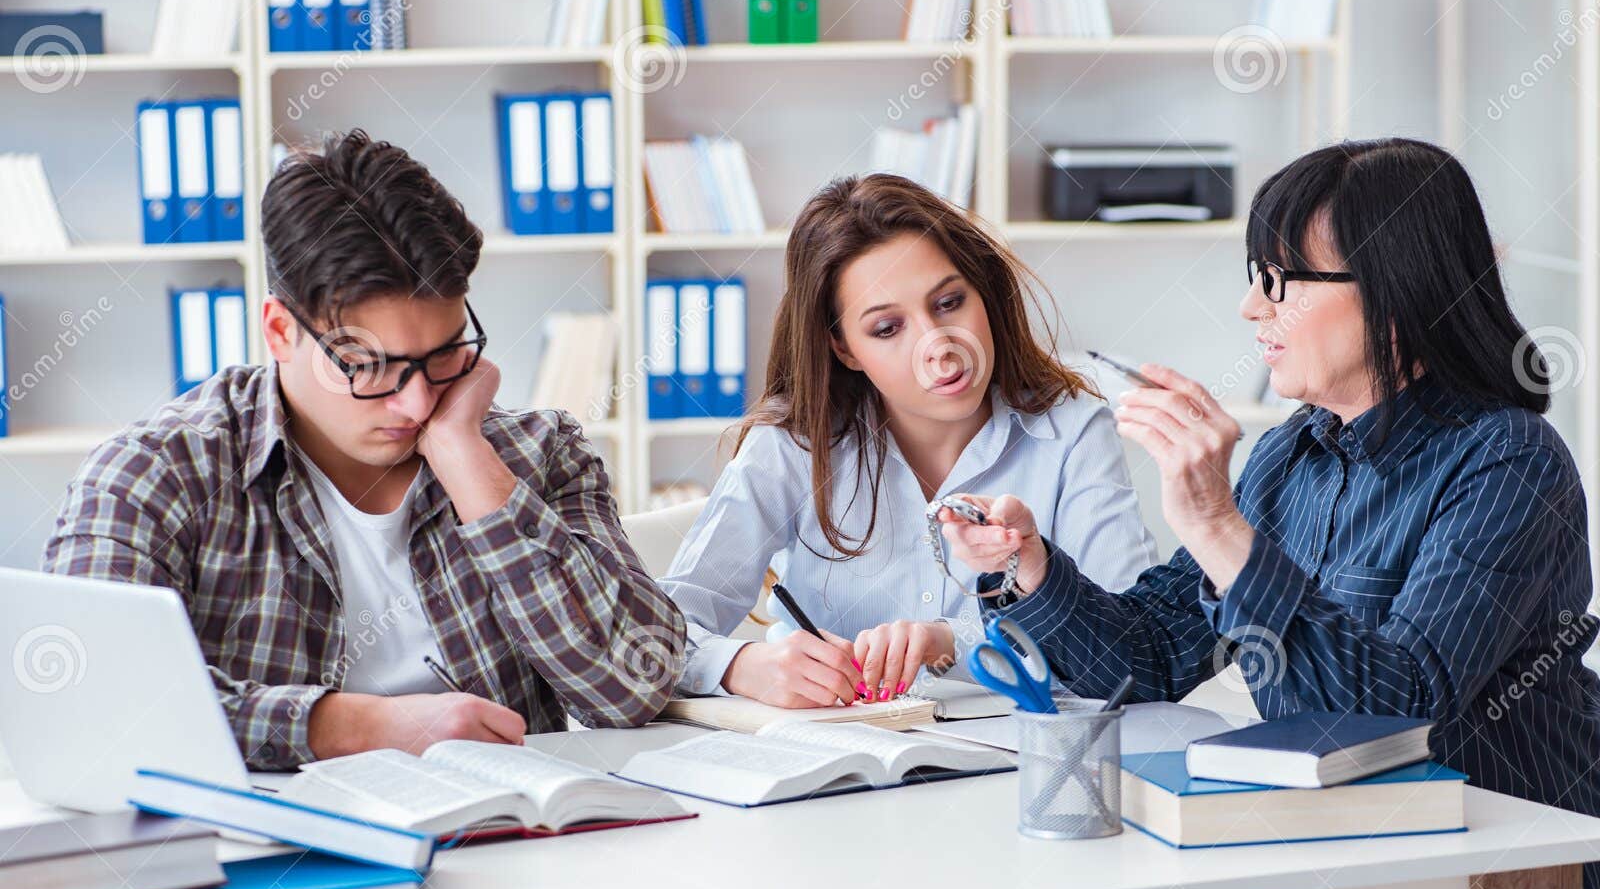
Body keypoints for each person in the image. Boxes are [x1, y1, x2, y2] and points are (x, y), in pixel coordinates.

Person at [935, 137, 1600, 889]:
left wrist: (1219, 526)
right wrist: (1033, 568)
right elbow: (1152, 658)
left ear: (1394, 292)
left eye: (1281, 282)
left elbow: (1396, 717)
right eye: (1255, 275)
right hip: (1357, 864)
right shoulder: (1291, 456)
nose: (1252, 308)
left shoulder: (1508, 463)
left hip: (1514, 886)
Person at [42, 130, 684, 770]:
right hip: (277, 862)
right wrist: (361, 726)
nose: (414, 404)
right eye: (368, 366)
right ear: (279, 330)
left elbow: (634, 687)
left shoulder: (537, 453)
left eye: (444, 355)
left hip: (523, 848)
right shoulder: (155, 473)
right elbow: (93, 703)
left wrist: (466, 459)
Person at [660, 172, 1158, 708]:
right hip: (841, 777)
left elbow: (1126, 648)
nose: (939, 346)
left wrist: (952, 643)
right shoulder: (792, 448)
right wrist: (742, 665)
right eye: (887, 329)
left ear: (982, 293)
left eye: (948, 303)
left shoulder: (1074, 431)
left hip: (1020, 772)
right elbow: (656, 637)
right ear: (844, 349)